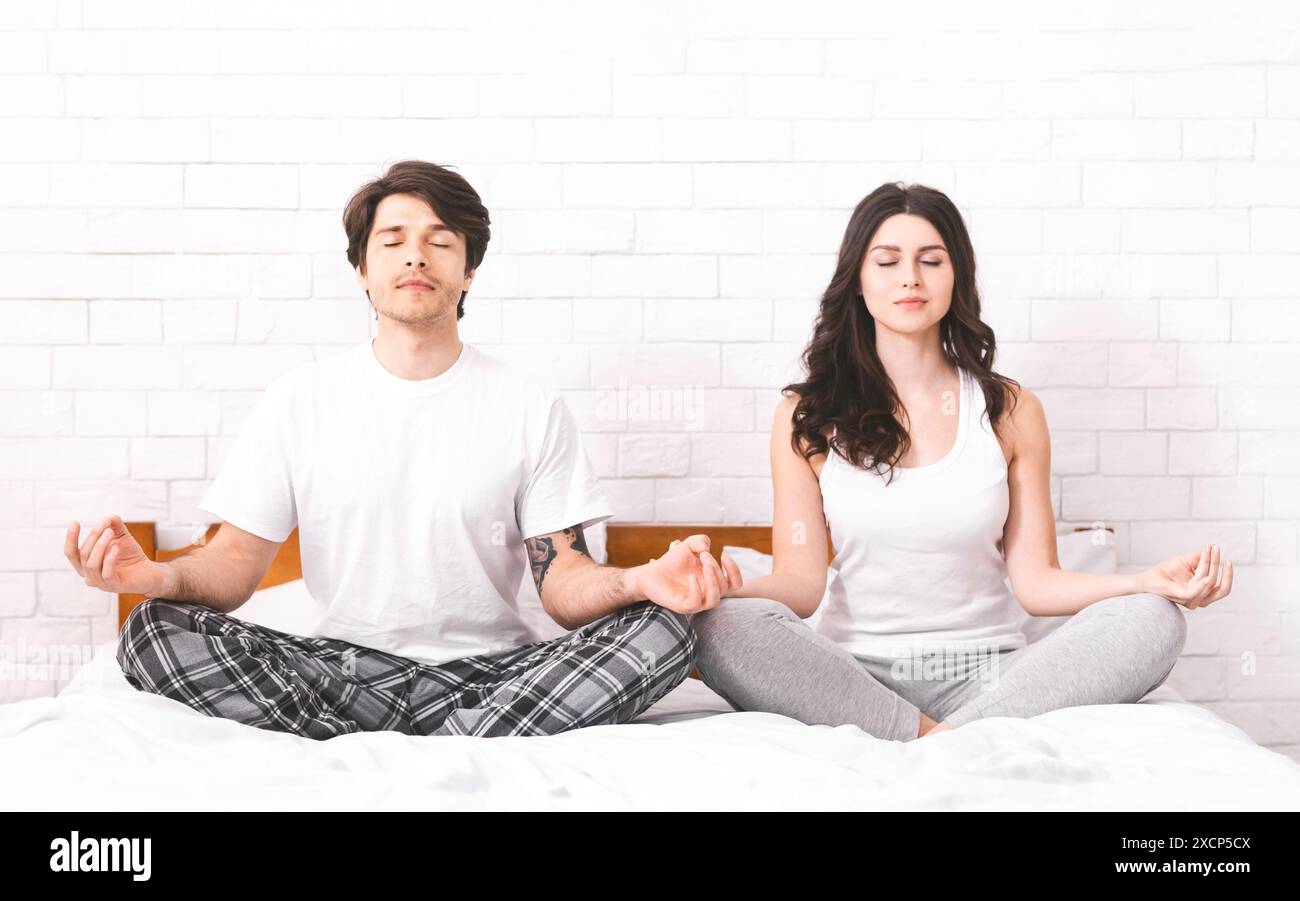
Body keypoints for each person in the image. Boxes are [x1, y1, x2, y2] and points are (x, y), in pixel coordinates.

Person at [65, 160, 737, 740]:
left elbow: (562, 580)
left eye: (440, 242)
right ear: (362, 268)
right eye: (393, 241)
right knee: (152, 629)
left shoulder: (530, 407)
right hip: (338, 670)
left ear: (468, 270)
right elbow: (234, 563)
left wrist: (637, 581)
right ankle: (465, 741)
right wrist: (156, 576)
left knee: (667, 630)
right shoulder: (299, 399)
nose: (416, 256)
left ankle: (391, 742)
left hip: (493, 670)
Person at [691, 181, 1233, 742]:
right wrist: (721, 593)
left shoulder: (1011, 410)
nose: (910, 278)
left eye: (931, 260)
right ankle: (943, 737)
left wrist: (1145, 582)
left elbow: (1038, 583)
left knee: (1152, 618)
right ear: (857, 277)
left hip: (992, 677)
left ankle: (935, 737)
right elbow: (801, 586)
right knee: (720, 625)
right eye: (888, 261)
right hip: (855, 677)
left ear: (957, 277)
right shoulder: (806, 415)